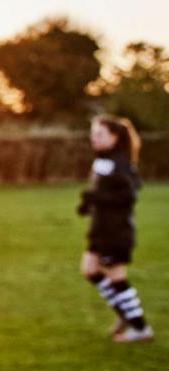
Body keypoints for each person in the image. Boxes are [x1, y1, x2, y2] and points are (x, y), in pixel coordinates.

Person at [77, 115, 152, 342]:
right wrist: (87, 203)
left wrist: (93, 196)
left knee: (116, 276)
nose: (94, 139)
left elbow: (128, 195)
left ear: (115, 137)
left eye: (100, 134)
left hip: (116, 232)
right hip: (101, 230)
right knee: (90, 269)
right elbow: (103, 190)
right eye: (93, 134)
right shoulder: (103, 160)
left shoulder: (120, 162)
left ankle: (140, 327)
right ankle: (124, 312)